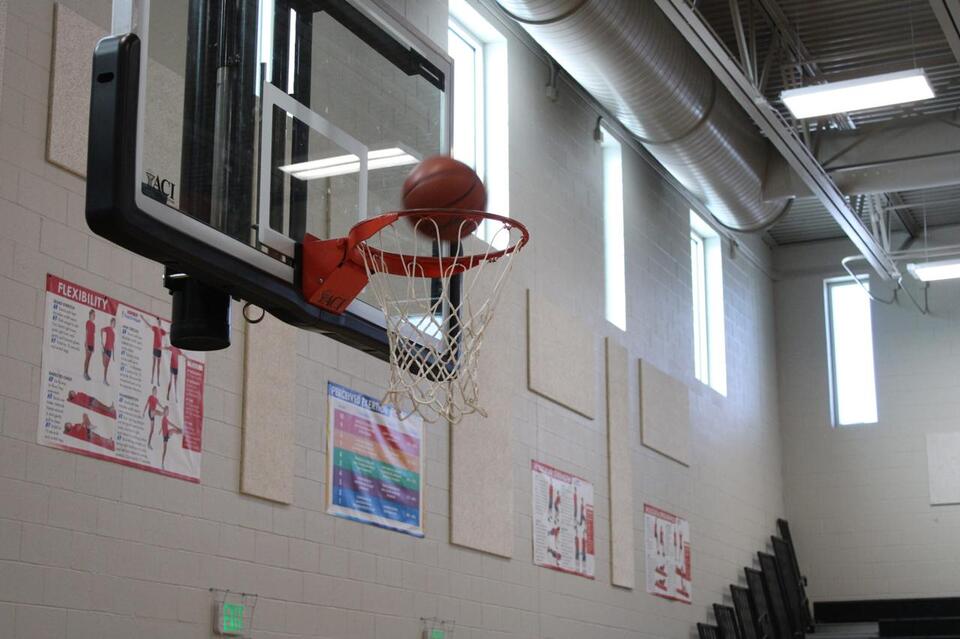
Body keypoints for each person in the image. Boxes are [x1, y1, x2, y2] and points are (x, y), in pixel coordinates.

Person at [139, 314, 167, 385]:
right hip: (155, 348)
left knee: (158, 366)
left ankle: (157, 380)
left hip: (159, 349)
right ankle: (152, 378)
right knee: (154, 364)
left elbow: (168, 333)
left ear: (161, 323)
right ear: (157, 322)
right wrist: (142, 318)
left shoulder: (162, 331)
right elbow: (148, 325)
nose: (159, 323)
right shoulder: (155, 328)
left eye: (160, 322)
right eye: (158, 321)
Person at [159, 406, 182, 470]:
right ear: (164, 412)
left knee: (173, 430)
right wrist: (161, 431)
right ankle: (162, 463)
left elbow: (166, 425)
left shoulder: (165, 419)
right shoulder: (164, 419)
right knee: (165, 450)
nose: (168, 412)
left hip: (167, 433)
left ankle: (181, 431)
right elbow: (167, 424)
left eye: (168, 411)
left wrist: (160, 430)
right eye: (166, 411)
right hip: (165, 435)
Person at [100, 318, 116, 385]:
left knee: (106, 366)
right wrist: (102, 341)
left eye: (115, 323)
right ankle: (102, 353)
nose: (114, 324)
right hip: (106, 348)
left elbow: (113, 345)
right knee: (104, 364)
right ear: (111, 323)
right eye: (113, 323)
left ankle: (104, 379)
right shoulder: (108, 328)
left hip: (110, 351)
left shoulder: (113, 333)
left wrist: (113, 356)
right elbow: (101, 330)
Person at [83, 310, 96, 380]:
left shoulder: (94, 325)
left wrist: (93, 346)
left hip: (91, 344)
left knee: (89, 359)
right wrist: (86, 343)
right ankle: (84, 373)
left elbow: (93, 335)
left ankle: (87, 373)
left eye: (95, 315)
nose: (94, 316)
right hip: (88, 343)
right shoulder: (88, 322)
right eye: (93, 315)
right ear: (90, 315)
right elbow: (87, 333)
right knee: (87, 359)